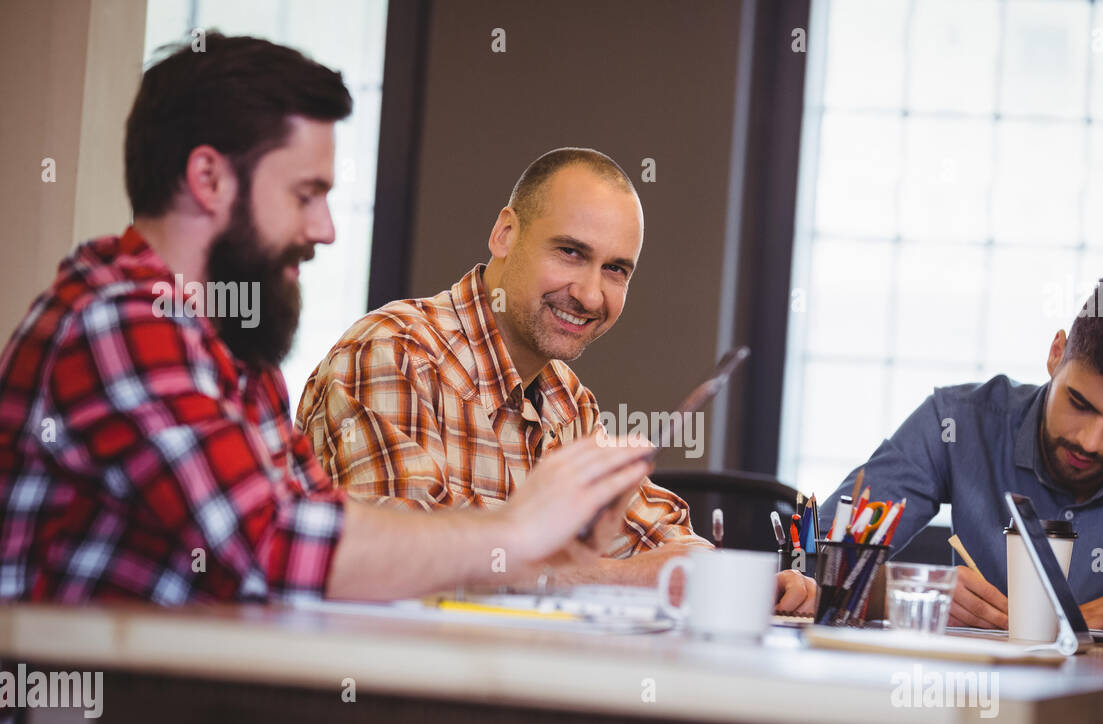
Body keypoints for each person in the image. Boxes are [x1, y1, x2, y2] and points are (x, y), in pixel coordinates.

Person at [0, 36, 651, 605]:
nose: (327, 229)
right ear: (208, 179)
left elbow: (323, 517)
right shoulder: (120, 323)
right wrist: (517, 533)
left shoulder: (228, 350)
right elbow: (275, 546)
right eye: (305, 195)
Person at [296, 147, 816, 612]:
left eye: (616, 270)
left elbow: (654, 538)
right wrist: (631, 580)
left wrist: (754, 585)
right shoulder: (393, 351)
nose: (591, 295)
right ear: (505, 234)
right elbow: (404, 568)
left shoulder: (567, 398)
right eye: (571, 252)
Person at [820, 273, 1103, 631]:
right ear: (1056, 353)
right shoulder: (957, 424)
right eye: (1079, 403)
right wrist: (912, 590)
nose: (1090, 442)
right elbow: (812, 561)